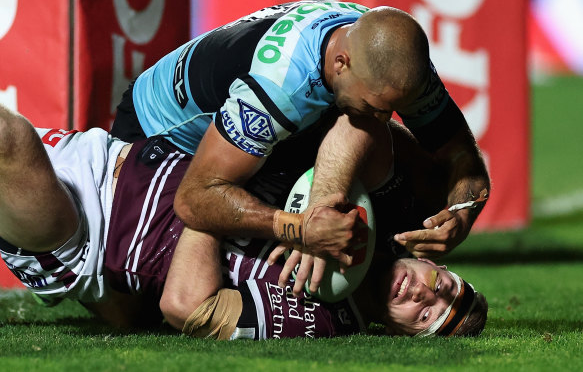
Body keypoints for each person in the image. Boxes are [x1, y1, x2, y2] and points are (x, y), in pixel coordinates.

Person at [110, 0, 490, 304]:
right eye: (377, 105)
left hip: (262, 133)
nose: (385, 117)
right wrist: (297, 228)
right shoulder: (279, 91)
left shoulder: (389, 59)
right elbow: (194, 199)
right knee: (141, 310)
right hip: (153, 139)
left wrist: (463, 210)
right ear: (341, 64)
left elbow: (460, 157)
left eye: (391, 107)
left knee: (417, 173)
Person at [0, 105, 487, 338]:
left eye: (426, 316)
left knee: (7, 140)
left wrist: (251, 214)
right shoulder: (375, 216)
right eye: (442, 285)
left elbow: (186, 305)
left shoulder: (322, 318)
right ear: (432, 264)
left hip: (87, 237)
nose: (423, 294)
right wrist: (321, 201)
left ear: (402, 333)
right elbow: (361, 122)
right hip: (102, 151)